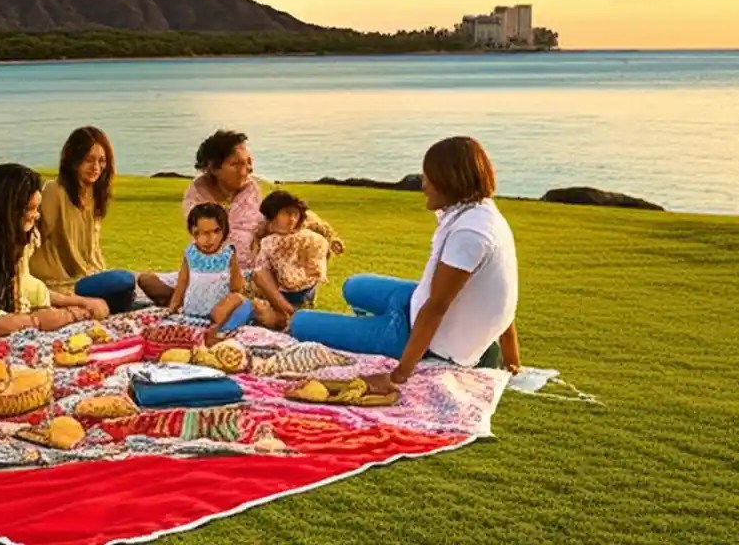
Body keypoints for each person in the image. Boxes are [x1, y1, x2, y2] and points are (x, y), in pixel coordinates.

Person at [288, 136, 523, 396]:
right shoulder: (477, 211)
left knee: (300, 322)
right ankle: (374, 328)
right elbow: (498, 294)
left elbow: (436, 307)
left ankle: (381, 335)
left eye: (428, 178)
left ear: (450, 181)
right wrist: (512, 358)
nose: (423, 185)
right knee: (353, 285)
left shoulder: (470, 234)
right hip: (415, 303)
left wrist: (398, 376)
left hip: (421, 336)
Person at [0, 163, 109, 351]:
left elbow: (23, 283)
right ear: (6, 210)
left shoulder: (14, 239)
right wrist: (26, 322)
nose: (36, 216)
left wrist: (75, 301)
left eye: (36, 208)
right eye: (29, 209)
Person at [139, 129, 262, 305]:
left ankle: (205, 300)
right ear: (213, 167)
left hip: (247, 273)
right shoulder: (197, 194)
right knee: (147, 281)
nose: (247, 170)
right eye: (236, 164)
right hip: (207, 270)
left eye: (248, 162)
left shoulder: (252, 189)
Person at [30, 126, 140, 313]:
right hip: (60, 281)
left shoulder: (94, 194)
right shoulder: (54, 191)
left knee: (127, 282)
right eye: (89, 160)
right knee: (124, 280)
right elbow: (33, 238)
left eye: (102, 161)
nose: (96, 167)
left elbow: (92, 249)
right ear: (73, 160)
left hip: (87, 275)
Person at [250, 189, 346, 316]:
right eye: (287, 214)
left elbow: (321, 234)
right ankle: (285, 310)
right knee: (260, 275)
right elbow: (260, 268)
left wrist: (331, 241)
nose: (292, 219)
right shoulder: (264, 235)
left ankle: (292, 312)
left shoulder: (305, 232)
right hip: (278, 287)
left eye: (295, 215)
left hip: (303, 286)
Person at [166, 203, 248, 326]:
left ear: (224, 231)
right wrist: (173, 306)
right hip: (192, 313)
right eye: (202, 233)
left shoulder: (228, 255)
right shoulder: (191, 254)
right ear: (193, 232)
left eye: (216, 231)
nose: (210, 239)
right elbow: (182, 282)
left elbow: (236, 288)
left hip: (218, 316)